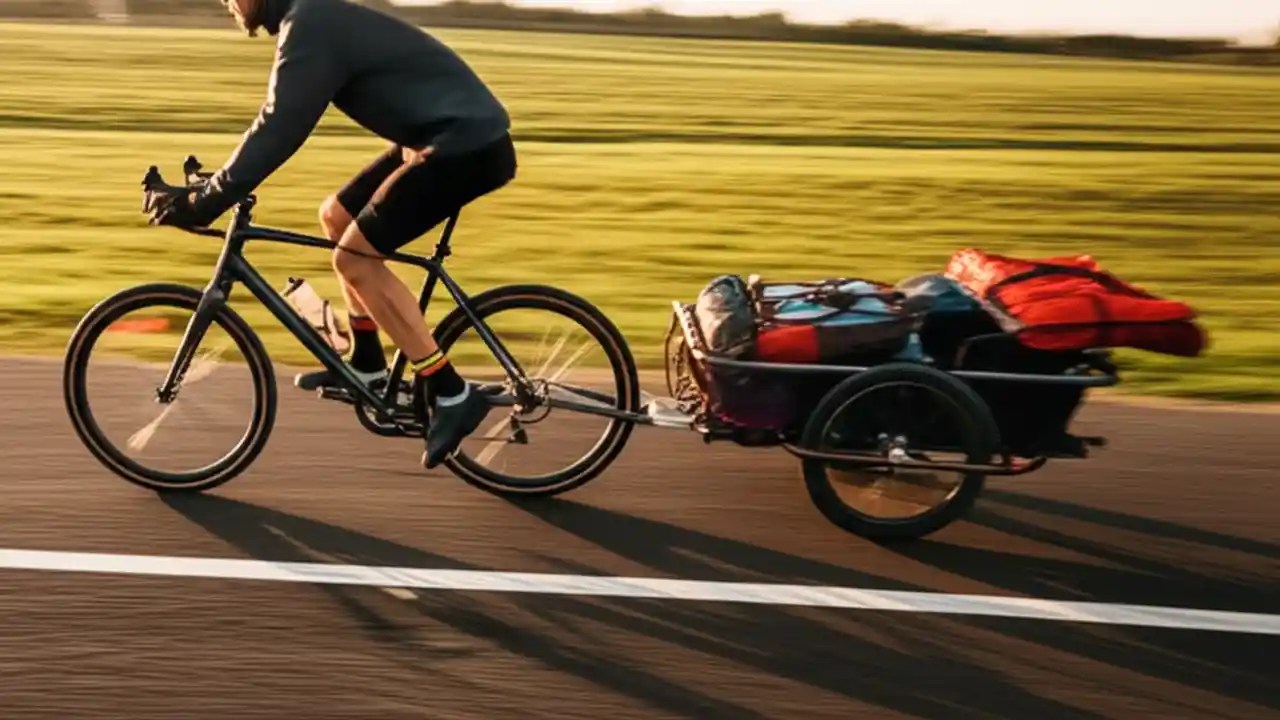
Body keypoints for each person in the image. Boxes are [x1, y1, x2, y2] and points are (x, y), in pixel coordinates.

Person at [150, 0, 517, 469]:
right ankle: (365, 363)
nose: (229, 2)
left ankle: (451, 392)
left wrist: (207, 202)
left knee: (355, 260)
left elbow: (279, 126)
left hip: (464, 146)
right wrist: (212, 186)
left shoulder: (310, 24)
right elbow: (275, 124)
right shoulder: (307, 18)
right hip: (438, 140)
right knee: (336, 217)